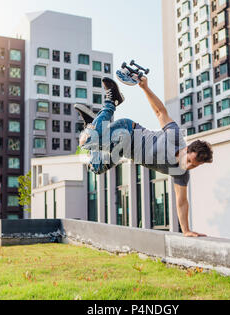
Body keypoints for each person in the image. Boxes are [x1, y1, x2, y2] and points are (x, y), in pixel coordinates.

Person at [75, 77, 213, 237]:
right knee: (88, 140)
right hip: (128, 131)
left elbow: (181, 202)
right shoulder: (175, 136)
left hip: (121, 151)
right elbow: (160, 111)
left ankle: (92, 124)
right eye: (189, 161)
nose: (188, 166)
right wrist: (145, 87)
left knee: (95, 167)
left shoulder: (180, 173)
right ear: (187, 149)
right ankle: (112, 101)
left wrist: (186, 230)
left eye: (193, 166)